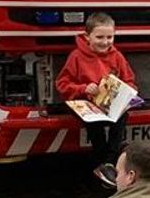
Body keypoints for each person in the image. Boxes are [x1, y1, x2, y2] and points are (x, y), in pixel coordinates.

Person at [56, 11, 138, 187]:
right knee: (95, 125)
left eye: (110, 37)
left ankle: (108, 162)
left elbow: (129, 80)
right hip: (85, 102)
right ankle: (104, 163)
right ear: (88, 37)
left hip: (109, 104)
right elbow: (62, 83)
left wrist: (126, 92)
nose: (105, 42)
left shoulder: (117, 56)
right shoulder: (76, 57)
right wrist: (83, 88)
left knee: (122, 117)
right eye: (100, 37)